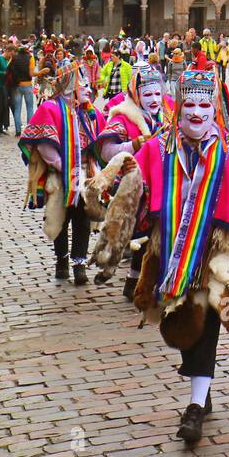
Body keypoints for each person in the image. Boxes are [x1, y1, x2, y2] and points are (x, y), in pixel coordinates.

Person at [108, 68, 229, 446]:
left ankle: (195, 408)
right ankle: (201, 381)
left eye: (205, 104)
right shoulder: (158, 147)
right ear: (179, 106)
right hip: (170, 254)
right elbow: (135, 188)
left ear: (215, 107)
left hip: (213, 256)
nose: (198, 113)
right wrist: (130, 178)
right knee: (184, 327)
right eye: (190, 105)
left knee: (207, 322)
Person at [18, 62, 106, 285]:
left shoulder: (89, 112)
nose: (88, 89)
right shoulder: (51, 108)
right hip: (61, 174)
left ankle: (79, 263)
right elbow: (44, 145)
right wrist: (63, 166)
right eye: (82, 85)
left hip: (85, 174)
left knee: (83, 218)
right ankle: (62, 260)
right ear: (70, 87)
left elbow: (101, 141)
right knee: (60, 217)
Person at [94, 62, 175, 298]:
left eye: (157, 93)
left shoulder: (169, 112)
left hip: (166, 183)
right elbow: (107, 150)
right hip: (136, 186)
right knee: (142, 234)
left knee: (162, 233)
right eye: (147, 94)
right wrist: (134, 144)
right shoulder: (123, 116)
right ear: (136, 94)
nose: (153, 99)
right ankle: (133, 280)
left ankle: (158, 281)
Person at [7, 43, 36, 137]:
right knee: (30, 108)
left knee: (17, 109)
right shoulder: (30, 58)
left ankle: (18, 131)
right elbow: (31, 74)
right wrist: (40, 73)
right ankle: (29, 130)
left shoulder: (14, 58)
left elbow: (7, 68)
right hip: (27, 85)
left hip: (17, 86)